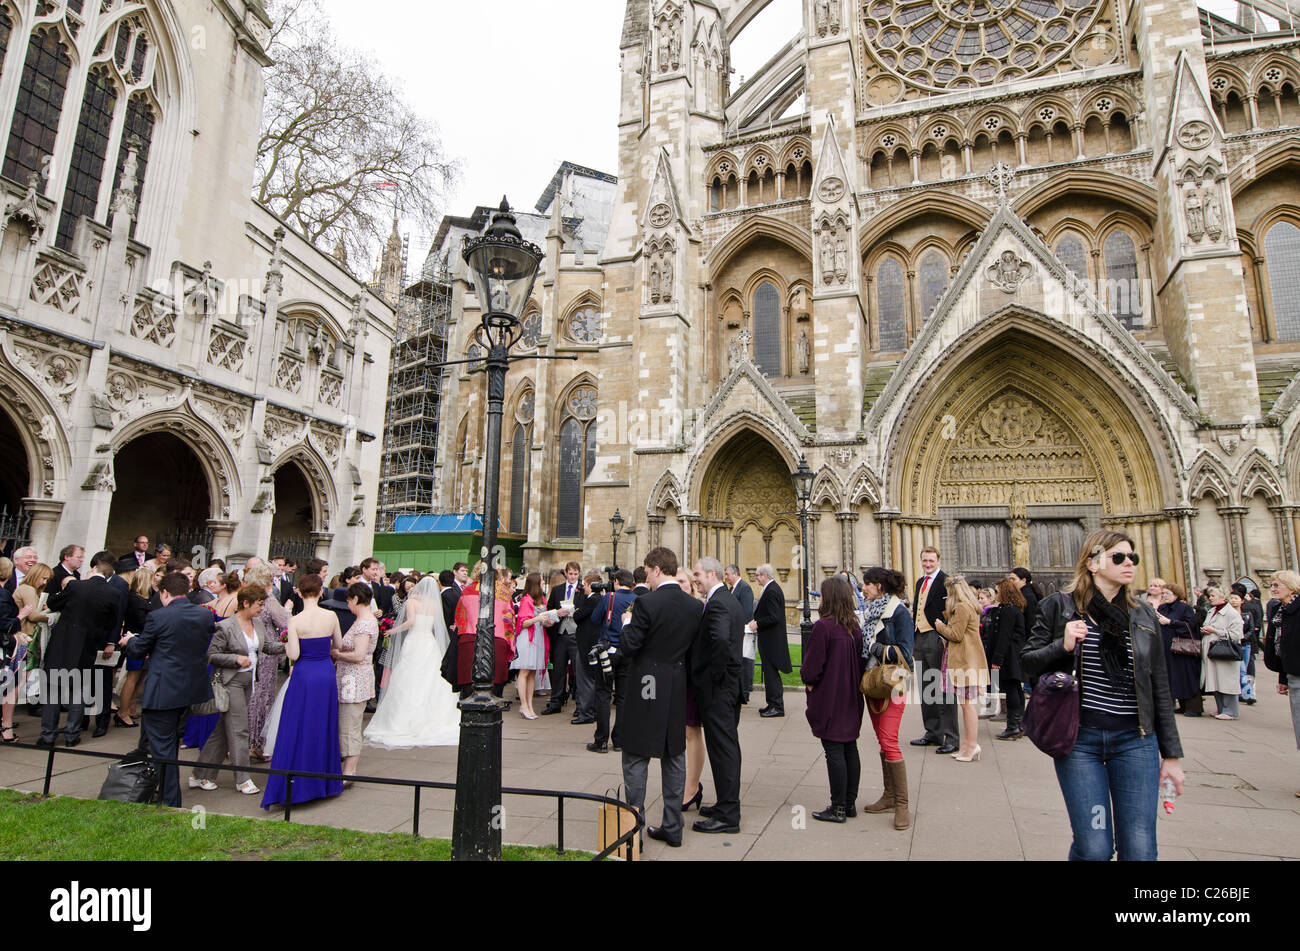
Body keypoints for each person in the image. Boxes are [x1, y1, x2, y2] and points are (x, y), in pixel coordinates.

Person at [1022, 530, 1185, 861]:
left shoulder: (1144, 613)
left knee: (1139, 850)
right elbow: (1027, 661)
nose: (1129, 564)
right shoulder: (1060, 607)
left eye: (1133, 558)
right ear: (1093, 563)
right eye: (1119, 557)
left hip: (1136, 742)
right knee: (1094, 848)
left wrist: (1171, 756)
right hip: (1080, 741)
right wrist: (1063, 645)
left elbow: (1159, 686)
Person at [619, 547, 701, 848]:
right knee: (673, 753)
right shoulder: (693, 607)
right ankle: (673, 827)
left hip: (646, 683)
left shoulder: (646, 604)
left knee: (636, 752)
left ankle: (633, 828)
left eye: (647, 571)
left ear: (655, 569)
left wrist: (627, 625)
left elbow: (629, 646)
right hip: (676, 683)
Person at [119, 572, 217, 807]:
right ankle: (162, 793)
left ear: (164, 592)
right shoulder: (204, 615)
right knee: (170, 744)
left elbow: (138, 649)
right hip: (189, 690)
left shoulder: (159, 616)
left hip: (164, 691)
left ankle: (171, 801)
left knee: (163, 749)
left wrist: (130, 640)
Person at [261, 573, 344, 809]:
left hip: (304, 674)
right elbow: (337, 645)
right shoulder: (331, 615)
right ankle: (323, 783)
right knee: (323, 724)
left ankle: (296, 784)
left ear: (299, 592)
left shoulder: (295, 620)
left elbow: (294, 655)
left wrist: (288, 642)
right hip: (325, 674)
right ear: (320, 592)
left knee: (297, 725)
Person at [192, 583, 282, 795]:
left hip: (248, 682)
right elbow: (211, 655)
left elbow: (267, 646)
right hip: (230, 681)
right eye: (259, 605)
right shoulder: (226, 627)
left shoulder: (258, 623)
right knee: (240, 730)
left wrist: (290, 643)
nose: (261, 609)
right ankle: (243, 779)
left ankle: (200, 774)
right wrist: (235, 659)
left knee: (223, 731)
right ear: (245, 603)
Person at [365, 576, 462, 748]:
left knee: (409, 678)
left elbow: (410, 622)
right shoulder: (434, 603)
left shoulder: (412, 603)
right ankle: (434, 718)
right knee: (430, 678)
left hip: (415, 641)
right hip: (429, 642)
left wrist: (393, 630)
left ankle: (404, 719)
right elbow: (435, 625)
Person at [39, 551, 123, 747]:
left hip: (63, 642)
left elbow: (52, 603)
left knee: (54, 690)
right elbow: (111, 622)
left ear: (93, 567)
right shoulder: (113, 593)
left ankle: (48, 735)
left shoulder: (76, 586)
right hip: (88, 644)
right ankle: (71, 734)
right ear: (109, 573)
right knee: (79, 689)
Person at [802, 575, 865, 823]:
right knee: (850, 746)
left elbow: (811, 669)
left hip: (830, 696)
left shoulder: (823, 627)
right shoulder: (854, 627)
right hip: (851, 696)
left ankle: (838, 806)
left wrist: (809, 683)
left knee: (834, 749)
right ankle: (849, 804)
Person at [691, 557, 745, 834]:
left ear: (712, 573)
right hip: (726, 687)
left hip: (719, 689)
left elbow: (721, 641)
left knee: (723, 748)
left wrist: (715, 676)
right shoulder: (725, 598)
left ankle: (728, 815)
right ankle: (726, 804)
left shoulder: (719, 602)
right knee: (725, 747)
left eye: (698, 574)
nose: (695, 579)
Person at [858, 567, 914, 830]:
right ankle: (889, 796)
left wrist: (873, 647)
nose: (864, 588)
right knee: (883, 740)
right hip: (872, 683)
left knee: (890, 741)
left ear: (880, 586)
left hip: (892, 683)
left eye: (867, 584)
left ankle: (902, 804)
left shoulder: (898, 612)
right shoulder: (870, 611)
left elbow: (906, 652)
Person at [934, 575, 989, 762]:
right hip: (966, 659)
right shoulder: (969, 606)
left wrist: (940, 626)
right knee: (965, 704)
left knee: (967, 705)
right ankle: (967, 745)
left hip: (964, 660)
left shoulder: (962, 607)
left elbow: (955, 635)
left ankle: (971, 745)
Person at [910, 547, 957, 754]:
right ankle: (933, 732)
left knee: (943, 689)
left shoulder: (946, 582)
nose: (927, 564)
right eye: (924, 561)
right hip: (919, 637)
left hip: (936, 637)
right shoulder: (920, 582)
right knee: (926, 686)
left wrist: (943, 634)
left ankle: (952, 737)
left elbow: (953, 610)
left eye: (931, 560)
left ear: (938, 560)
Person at [242, 563, 287, 762]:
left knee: (248, 695)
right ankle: (255, 744)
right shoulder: (266, 600)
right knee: (261, 697)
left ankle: (241, 742)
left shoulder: (244, 595)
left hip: (247, 644)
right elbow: (285, 622)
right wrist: (288, 609)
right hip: (266, 649)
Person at [334, 583, 378, 779]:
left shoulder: (364, 623)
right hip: (352, 677)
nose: (348, 605)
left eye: (349, 601)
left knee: (350, 723)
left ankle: (349, 770)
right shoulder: (363, 620)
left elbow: (359, 654)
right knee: (348, 722)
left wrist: (337, 653)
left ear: (355, 599)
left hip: (354, 679)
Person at [1262, 571, 1300, 797]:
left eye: (1277, 585)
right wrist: (1282, 678)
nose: (1273, 588)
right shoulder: (1279, 611)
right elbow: (1282, 647)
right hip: (1294, 675)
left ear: (1291, 587)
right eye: (1272, 585)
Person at [590, 569, 636, 751]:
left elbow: (594, 620)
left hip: (607, 652)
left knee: (603, 694)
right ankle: (620, 740)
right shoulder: (636, 600)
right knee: (623, 696)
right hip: (627, 652)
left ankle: (601, 740)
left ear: (616, 581)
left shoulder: (609, 598)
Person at [6, 562, 52, 741]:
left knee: (17, 682)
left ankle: (6, 720)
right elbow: (32, 615)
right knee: (16, 683)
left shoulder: (30, 590)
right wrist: (49, 614)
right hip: (23, 638)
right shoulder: (27, 590)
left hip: (26, 638)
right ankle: (6, 722)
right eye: (43, 578)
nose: (44, 582)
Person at [676, 569, 707, 814]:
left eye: (682, 581)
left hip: (690, 678)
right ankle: (686, 785)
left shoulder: (697, 609)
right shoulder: (673, 607)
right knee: (682, 733)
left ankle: (692, 787)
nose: (678, 585)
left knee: (691, 731)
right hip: (674, 678)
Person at [749, 563, 792, 717]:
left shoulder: (772, 591)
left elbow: (774, 616)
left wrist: (757, 623)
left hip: (772, 640)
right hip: (769, 639)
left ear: (765, 575)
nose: (756, 578)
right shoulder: (771, 589)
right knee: (769, 672)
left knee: (771, 673)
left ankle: (777, 706)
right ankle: (772, 703)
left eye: (758, 575)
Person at [117, 567, 156, 728]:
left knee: (139, 678)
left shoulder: (142, 598)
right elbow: (142, 622)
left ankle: (130, 708)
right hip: (136, 641)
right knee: (132, 678)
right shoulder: (135, 600)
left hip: (141, 641)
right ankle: (123, 712)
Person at [541, 561, 582, 715]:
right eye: (570, 573)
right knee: (558, 669)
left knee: (578, 671)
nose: (572, 577)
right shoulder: (558, 590)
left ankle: (579, 704)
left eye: (575, 574)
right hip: (560, 633)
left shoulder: (582, 590)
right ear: (566, 573)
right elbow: (549, 609)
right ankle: (556, 701)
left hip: (575, 634)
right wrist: (557, 613)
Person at [1156, 581, 1203, 716]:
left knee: (1186, 676)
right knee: (1174, 677)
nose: (1165, 596)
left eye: (1168, 593)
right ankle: (1182, 705)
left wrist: (1171, 622)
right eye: (1163, 593)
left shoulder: (1184, 608)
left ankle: (1194, 708)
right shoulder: (1162, 607)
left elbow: (1190, 625)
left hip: (1182, 648)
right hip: (1167, 647)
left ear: (1176, 594)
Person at [989, 577, 1027, 740]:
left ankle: (1014, 724)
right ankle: (1018, 724)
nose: (995, 594)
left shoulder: (1009, 610)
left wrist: (997, 659)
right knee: (1015, 688)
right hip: (1012, 653)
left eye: (997, 591)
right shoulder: (1010, 609)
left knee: (1012, 688)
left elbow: (1004, 635)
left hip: (1009, 654)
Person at [1200, 586, 1243, 720]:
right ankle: (1221, 708)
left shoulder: (1231, 613)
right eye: (1210, 596)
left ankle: (1231, 711)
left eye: (1213, 596)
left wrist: (1215, 631)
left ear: (1223, 597)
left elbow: (1236, 635)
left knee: (1227, 681)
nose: (1210, 598)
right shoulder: (1212, 610)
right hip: (1212, 651)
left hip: (1224, 651)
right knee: (1215, 680)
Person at [511, 572, 550, 720]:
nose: (543, 584)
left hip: (539, 636)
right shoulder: (526, 600)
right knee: (525, 670)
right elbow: (523, 622)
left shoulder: (542, 599)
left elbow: (544, 618)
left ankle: (530, 705)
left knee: (532, 672)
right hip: (527, 638)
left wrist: (548, 620)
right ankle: (523, 704)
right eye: (541, 582)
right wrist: (537, 618)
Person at [571, 570, 605, 725]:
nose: (583, 588)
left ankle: (586, 712)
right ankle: (593, 711)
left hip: (586, 645)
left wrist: (577, 612)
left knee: (585, 680)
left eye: (585, 584)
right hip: (593, 643)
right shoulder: (601, 599)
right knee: (594, 679)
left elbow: (577, 616)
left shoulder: (592, 600)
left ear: (591, 585)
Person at [724, 564, 755, 704]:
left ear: (734, 574)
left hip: (744, 630)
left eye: (727, 574)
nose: (726, 577)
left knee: (746, 661)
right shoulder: (733, 588)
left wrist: (741, 627)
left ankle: (746, 691)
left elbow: (747, 611)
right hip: (736, 630)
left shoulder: (745, 588)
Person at [1231, 584, 1260, 705]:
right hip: (1233, 644)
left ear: (1242, 601)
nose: (1233, 600)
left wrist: (1243, 638)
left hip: (1245, 644)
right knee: (1242, 670)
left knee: (1244, 669)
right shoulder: (1228, 614)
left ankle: (1245, 692)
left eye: (1236, 598)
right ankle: (1248, 694)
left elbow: (1251, 629)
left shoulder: (1247, 614)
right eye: (1231, 598)